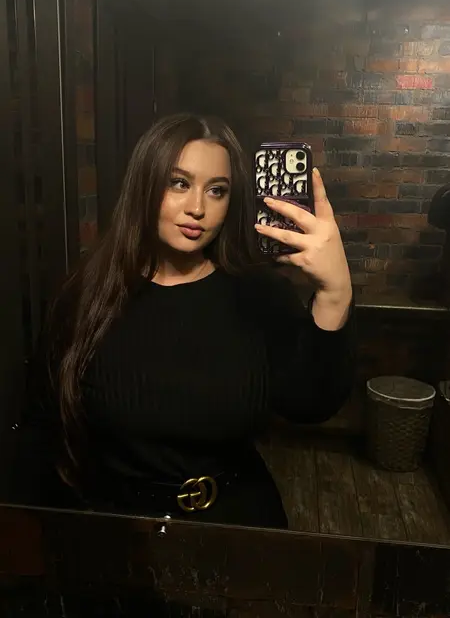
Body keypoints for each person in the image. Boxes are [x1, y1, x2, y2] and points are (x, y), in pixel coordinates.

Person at [9, 113, 354, 529]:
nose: (197, 208)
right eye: (178, 183)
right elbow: (41, 429)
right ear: (144, 185)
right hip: (118, 532)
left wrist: (335, 293)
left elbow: (310, 404)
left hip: (238, 526)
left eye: (217, 190)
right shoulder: (86, 295)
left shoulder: (260, 294)